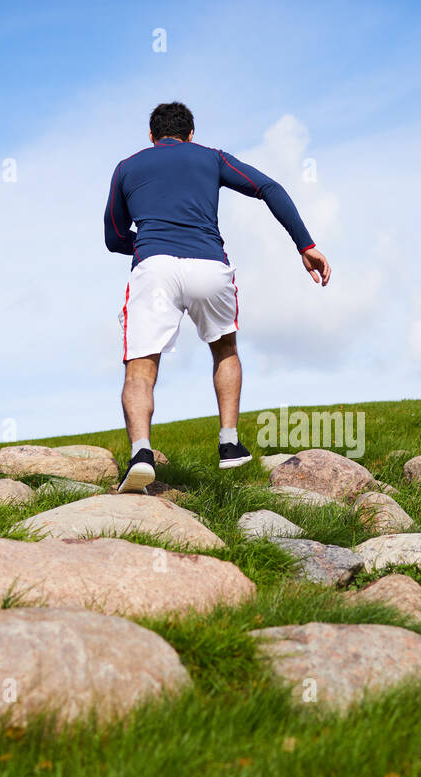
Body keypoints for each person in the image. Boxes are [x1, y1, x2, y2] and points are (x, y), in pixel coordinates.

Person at [104, 101, 331, 493]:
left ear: (152, 136)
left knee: (140, 368)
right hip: (209, 265)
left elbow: (113, 236)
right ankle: (229, 441)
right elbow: (268, 188)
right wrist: (304, 244)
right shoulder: (212, 158)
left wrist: (150, 243)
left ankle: (141, 454)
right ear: (191, 134)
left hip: (153, 268)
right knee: (224, 347)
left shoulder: (127, 167)